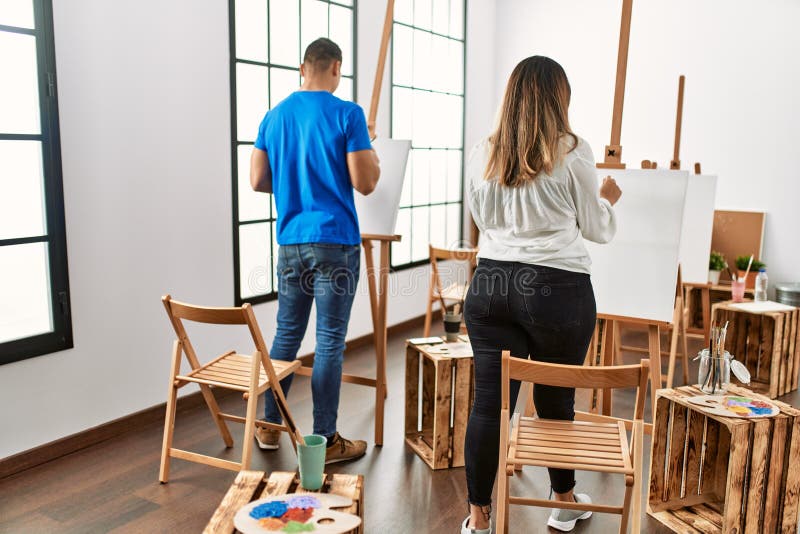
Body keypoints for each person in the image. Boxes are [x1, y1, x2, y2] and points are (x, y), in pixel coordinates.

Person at [460, 56, 622, 533]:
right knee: (555, 401)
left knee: (489, 404)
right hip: (557, 288)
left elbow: (483, 220)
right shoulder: (573, 151)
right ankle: (564, 502)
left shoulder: (482, 152)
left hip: (490, 284)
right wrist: (607, 201)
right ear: (559, 99)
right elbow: (595, 228)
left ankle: (477, 518)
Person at [249, 37, 380, 464]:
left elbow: (257, 179)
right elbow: (365, 182)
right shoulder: (348, 114)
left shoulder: (274, 116)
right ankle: (325, 438)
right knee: (328, 342)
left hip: (290, 242)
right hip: (335, 242)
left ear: (302, 67)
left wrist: (295, 182)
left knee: (286, 335)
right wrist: (368, 148)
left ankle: (269, 428)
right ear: (336, 68)